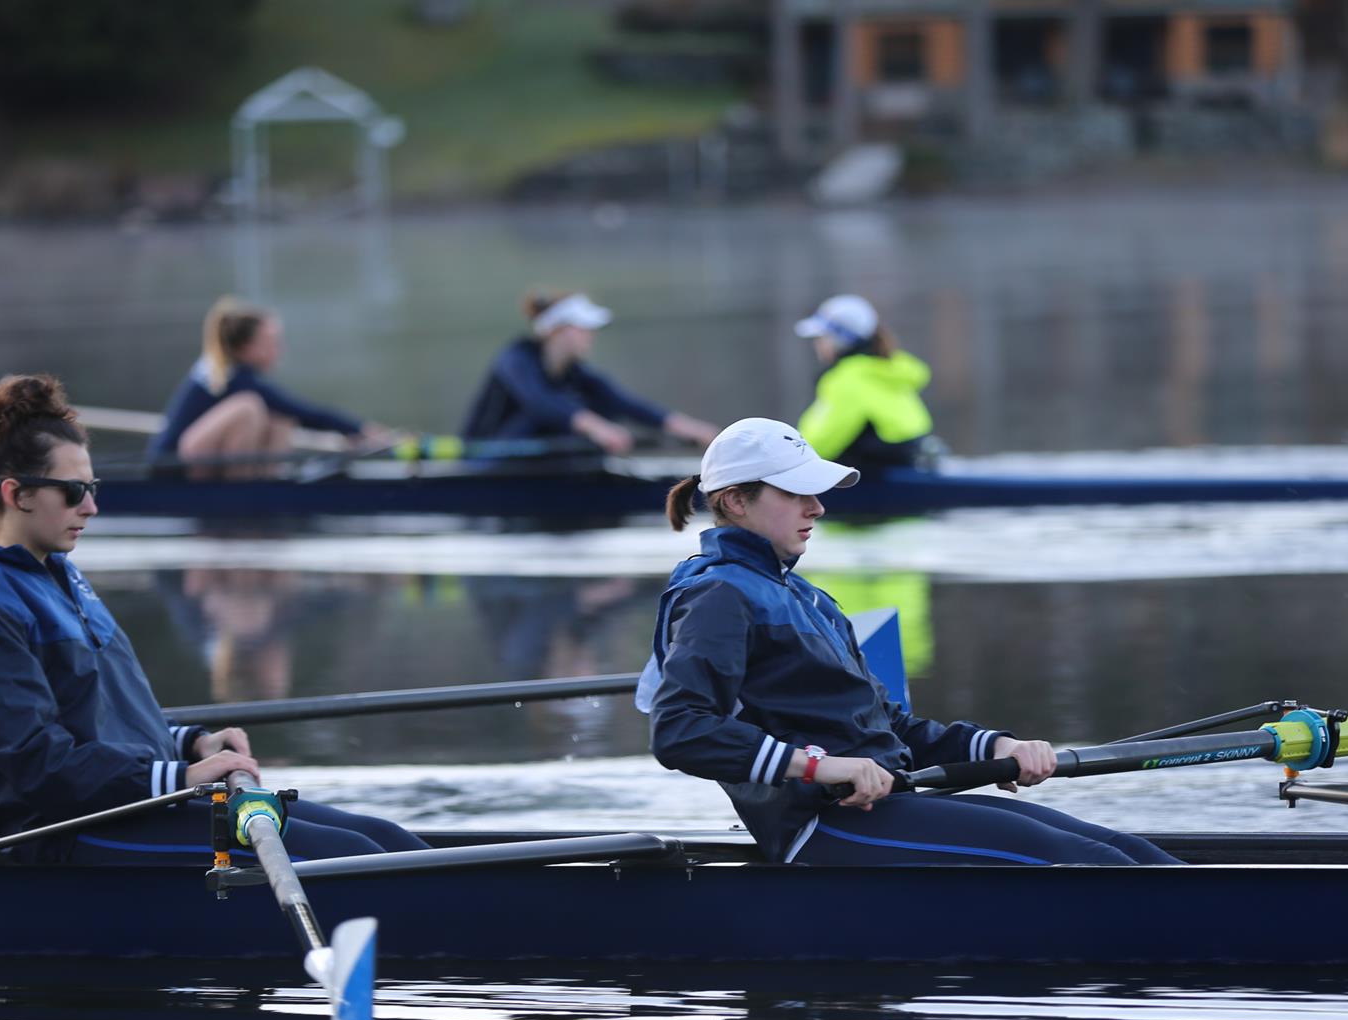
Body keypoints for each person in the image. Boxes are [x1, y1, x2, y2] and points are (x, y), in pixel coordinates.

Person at [0, 373, 427, 865]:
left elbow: (104, 717)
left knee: (385, 840)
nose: (91, 508)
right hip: (66, 831)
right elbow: (39, 767)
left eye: (93, 488)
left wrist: (191, 743)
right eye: (74, 492)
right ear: (16, 494)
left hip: (134, 805)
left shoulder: (54, 573)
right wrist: (182, 776)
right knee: (355, 857)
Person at [644, 417, 1176, 868]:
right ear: (736, 501)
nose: (817, 508)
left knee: (1123, 848)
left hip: (886, 804)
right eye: (795, 493)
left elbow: (888, 725)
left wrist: (997, 747)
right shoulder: (716, 594)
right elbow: (680, 728)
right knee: (1085, 862)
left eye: (815, 492)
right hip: (819, 823)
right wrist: (818, 766)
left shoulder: (805, 597)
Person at [146, 296, 393, 473]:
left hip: (196, 459)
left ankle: (266, 483)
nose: (280, 349)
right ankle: (240, 493)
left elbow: (294, 411)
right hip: (170, 469)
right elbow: (306, 412)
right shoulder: (232, 377)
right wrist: (362, 430)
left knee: (279, 417)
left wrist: (355, 430)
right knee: (249, 407)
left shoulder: (235, 372)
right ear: (245, 347)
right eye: (271, 341)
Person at [458, 290, 718, 454]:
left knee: (596, 407)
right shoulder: (515, 358)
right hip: (488, 456)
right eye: (582, 327)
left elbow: (625, 403)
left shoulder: (575, 373)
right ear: (556, 330)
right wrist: (598, 429)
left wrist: (692, 429)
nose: (590, 335)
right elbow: (540, 403)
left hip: (539, 458)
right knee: (557, 415)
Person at [793, 294, 939, 472]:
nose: (817, 344)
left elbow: (821, 444)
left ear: (840, 340)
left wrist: (789, 462)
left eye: (822, 337)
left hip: (877, 477)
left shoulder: (847, 378)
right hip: (906, 463)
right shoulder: (883, 369)